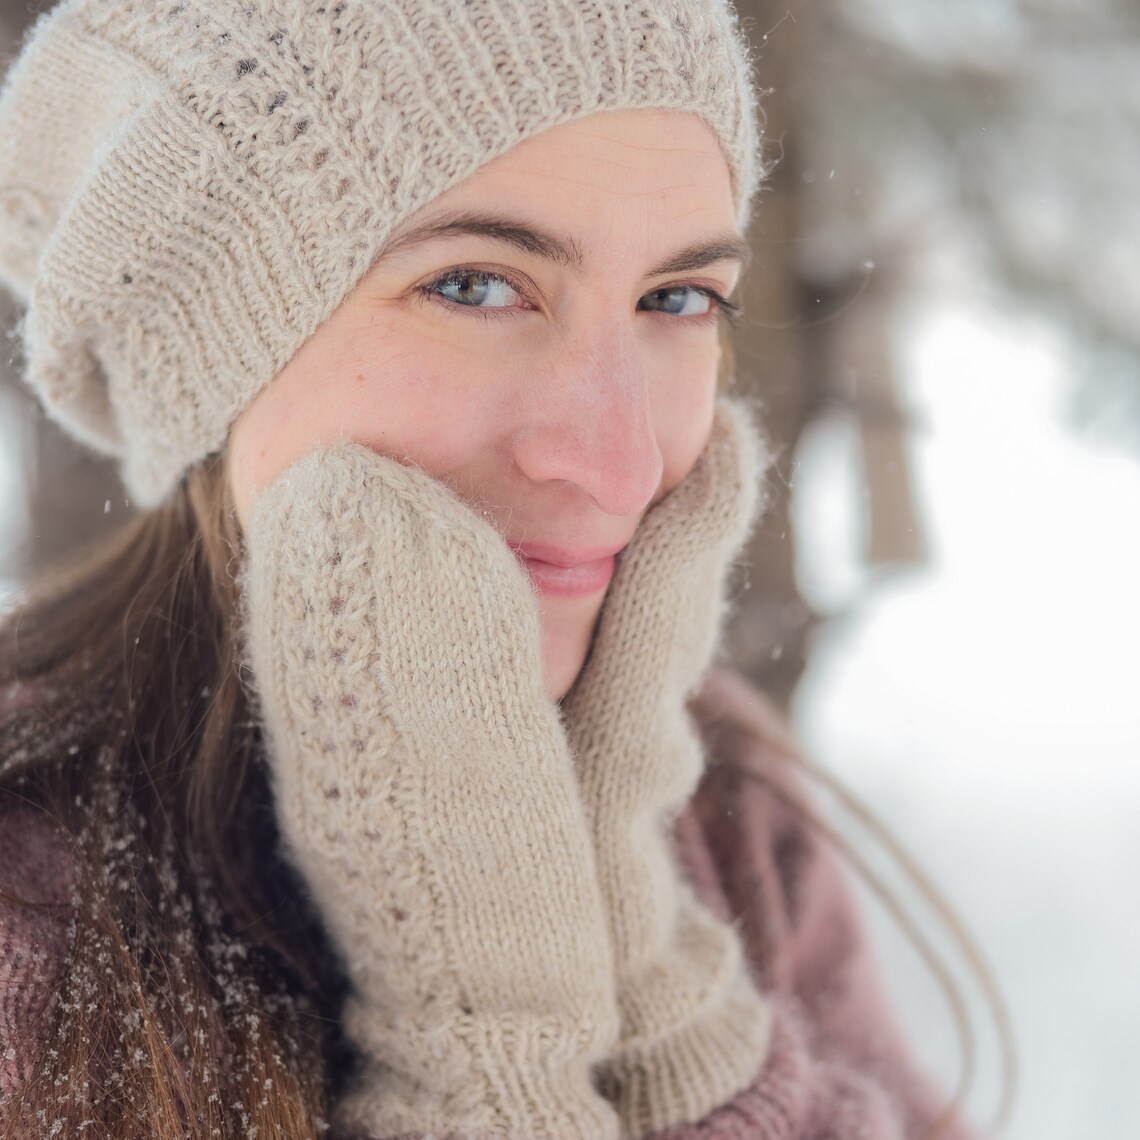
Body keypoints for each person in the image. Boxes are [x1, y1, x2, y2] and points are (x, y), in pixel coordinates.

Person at [0, 1, 978, 1137]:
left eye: (679, 298)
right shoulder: (28, 909)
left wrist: (661, 1003)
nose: (620, 465)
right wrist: (485, 1064)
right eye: (474, 285)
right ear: (208, 359)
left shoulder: (726, 806)